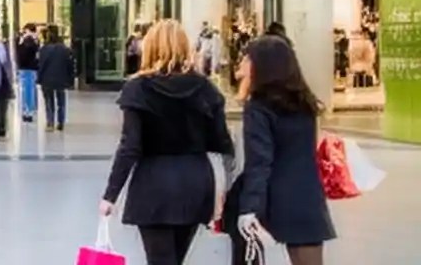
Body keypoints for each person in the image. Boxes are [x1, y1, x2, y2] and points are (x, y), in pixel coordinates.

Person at [99, 20, 233, 265]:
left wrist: (111, 194)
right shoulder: (204, 88)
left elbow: (130, 146)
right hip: (195, 181)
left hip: (153, 184)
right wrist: (228, 189)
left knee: (159, 259)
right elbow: (222, 142)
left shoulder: (138, 89)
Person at [228, 36, 335, 265]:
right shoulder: (305, 104)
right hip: (306, 196)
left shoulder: (258, 108)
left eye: (248, 59)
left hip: (274, 197)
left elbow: (259, 162)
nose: (242, 65)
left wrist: (249, 208)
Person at [37, 25, 74, 131]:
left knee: (49, 101)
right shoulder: (65, 49)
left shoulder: (44, 49)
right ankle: (61, 122)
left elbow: (41, 65)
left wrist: (39, 78)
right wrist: (70, 79)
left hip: (47, 79)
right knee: (61, 101)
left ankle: (50, 122)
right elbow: (69, 65)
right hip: (61, 79)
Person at [15, 24, 40, 123]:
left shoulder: (28, 41)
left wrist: (20, 44)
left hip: (26, 68)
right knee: (30, 90)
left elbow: (23, 55)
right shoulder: (34, 40)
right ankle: (30, 110)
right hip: (31, 69)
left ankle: (27, 111)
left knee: (27, 91)